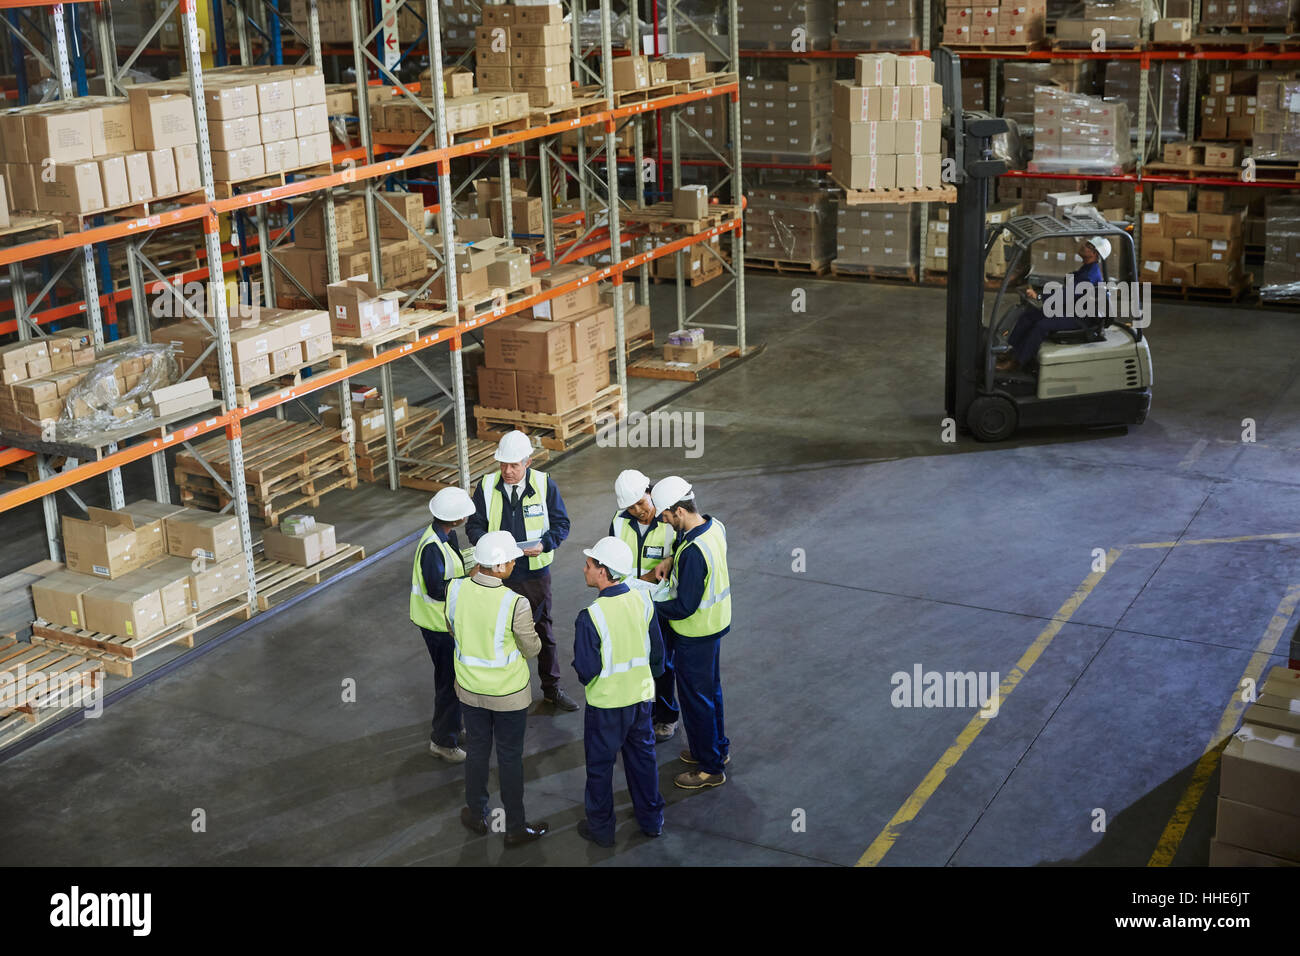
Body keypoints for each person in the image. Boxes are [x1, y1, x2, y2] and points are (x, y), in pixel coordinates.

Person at [449, 531, 548, 847]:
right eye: (511, 560)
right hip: (508, 694)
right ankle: (515, 827)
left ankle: (477, 813)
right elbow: (532, 649)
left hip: (469, 688)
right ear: (501, 565)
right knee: (509, 757)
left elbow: (452, 625)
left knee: (477, 751)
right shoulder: (514, 602)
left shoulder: (455, 589)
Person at [467, 429, 577, 712]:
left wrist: (545, 544)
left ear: (528, 462)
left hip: (533, 575)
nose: (507, 471)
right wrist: (490, 546)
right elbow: (473, 526)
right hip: (496, 575)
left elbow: (561, 524)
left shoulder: (544, 485)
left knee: (542, 630)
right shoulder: (486, 485)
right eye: (503, 464)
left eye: (514, 465)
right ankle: (496, 691)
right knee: (494, 630)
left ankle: (551, 689)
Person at [572, 536, 667, 847]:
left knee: (600, 769)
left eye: (589, 564)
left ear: (603, 571)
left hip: (606, 706)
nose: (584, 568)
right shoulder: (643, 602)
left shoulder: (592, 615)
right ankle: (652, 820)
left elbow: (587, 670)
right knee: (643, 761)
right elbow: (657, 658)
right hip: (641, 701)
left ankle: (601, 830)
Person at [651, 476, 732, 790]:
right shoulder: (713, 527)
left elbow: (684, 606)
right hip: (713, 626)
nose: (666, 522)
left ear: (679, 511)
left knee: (696, 701)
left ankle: (709, 769)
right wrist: (672, 560)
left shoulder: (694, 550)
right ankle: (714, 749)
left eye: (667, 517)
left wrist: (651, 606)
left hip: (694, 633)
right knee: (711, 694)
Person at [609, 468, 679, 742]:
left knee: (662, 663)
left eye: (642, 502)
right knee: (635, 661)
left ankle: (667, 716)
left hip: (660, 605)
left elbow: (682, 551)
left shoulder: (669, 519)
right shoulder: (618, 521)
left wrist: (670, 560)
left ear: (650, 492)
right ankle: (643, 714)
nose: (639, 510)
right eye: (632, 506)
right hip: (630, 602)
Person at [410, 486, 476, 763]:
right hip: (438, 626)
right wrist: (469, 581)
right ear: (457, 518)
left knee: (451, 679)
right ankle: (443, 741)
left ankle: (452, 726)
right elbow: (437, 588)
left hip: (446, 623)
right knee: (449, 683)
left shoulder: (445, 537)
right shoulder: (432, 548)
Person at [997, 236, 1110, 373]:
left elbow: (1067, 295)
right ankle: (1012, 350)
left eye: (1088, 246)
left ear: (1095, 254)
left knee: (1042, 325)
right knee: (1030, 315)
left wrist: (1039, 296)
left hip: (1080, 318)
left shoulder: (1089, 275)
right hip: (1072, 308)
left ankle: (1018, 362)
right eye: (1086, 243)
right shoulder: (1086, 269)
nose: (1083, 246)